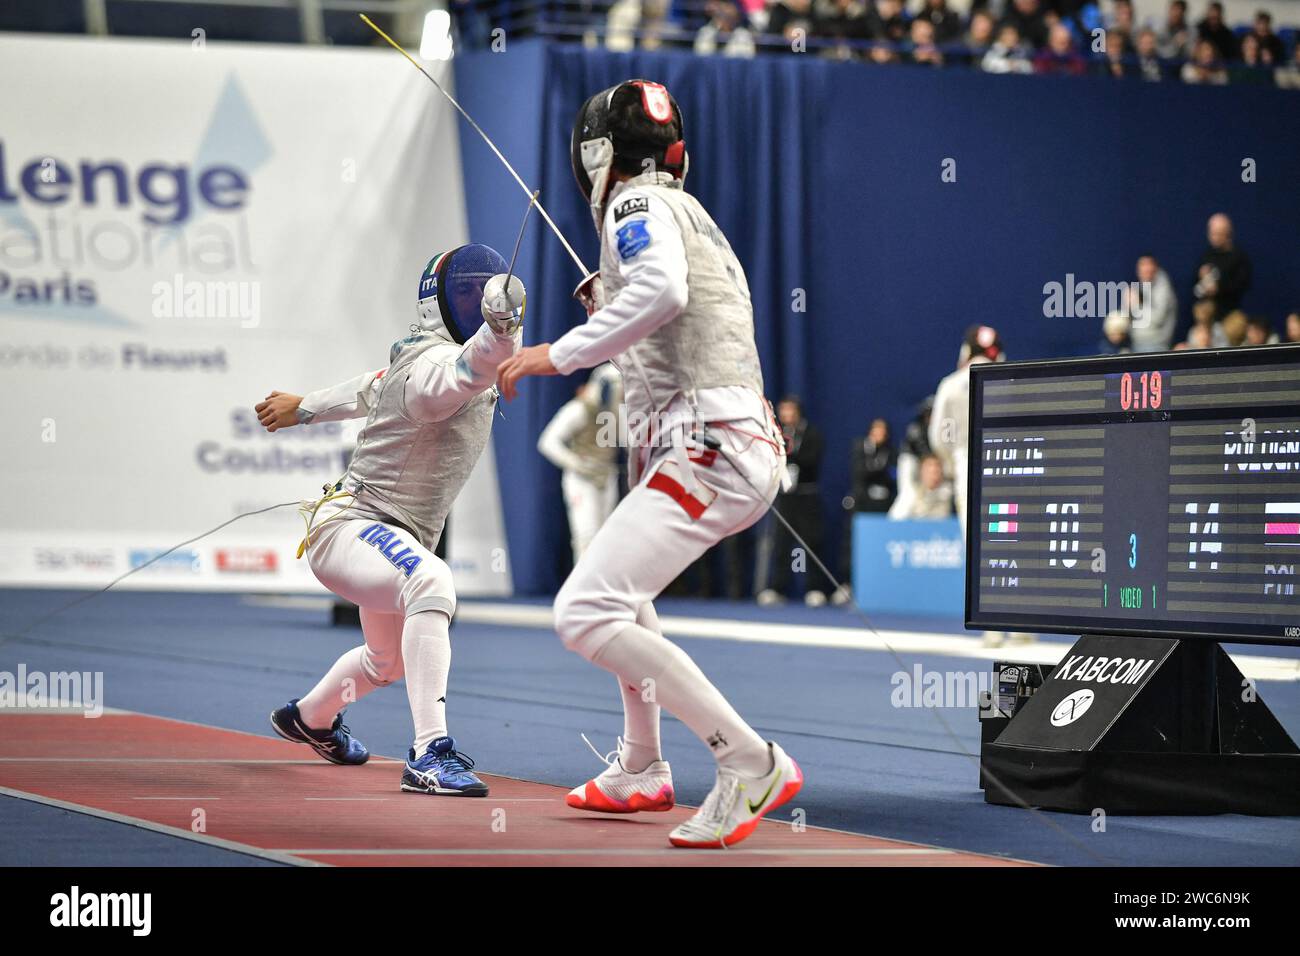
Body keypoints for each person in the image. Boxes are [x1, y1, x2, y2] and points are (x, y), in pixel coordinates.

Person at [496, 80, 802, 848]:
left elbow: (663, 291)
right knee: (624, 599)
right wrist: (615, 303)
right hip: (717, 440)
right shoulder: (688, 214)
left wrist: (554, 353)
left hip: (712, 447)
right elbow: (681, 307)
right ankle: (642, 765)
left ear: (597, 156)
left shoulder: (635, 208)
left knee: (582, 612)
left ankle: (749, 760)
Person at [254, 244, 524, 796]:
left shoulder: (420, 358)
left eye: (484, 289)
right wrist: (500, 330)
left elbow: (367, 387)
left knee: (386, 662)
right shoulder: (432, 368)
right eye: (467, 291)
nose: (476, 299)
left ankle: (310, 718)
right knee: (431, 580)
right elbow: (459, 377)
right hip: (351, 526)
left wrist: (304, 405)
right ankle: (429, 755)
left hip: (387, 537)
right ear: (439, 301)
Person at [537, 364, 624, 562]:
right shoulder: (579, 409)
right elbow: (547, 442)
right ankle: (582, 592)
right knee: (586, 537)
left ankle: (601, 591)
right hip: (581, 480)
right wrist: (576, 463)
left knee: (606, 540)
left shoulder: (618, 415)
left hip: (607, 476)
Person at [756, 395, 828, 607]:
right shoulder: (776, 433)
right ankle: (778, 588)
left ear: (798, 412)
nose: (787, 415)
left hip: (807, 496)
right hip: (786, 497)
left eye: (791, 411)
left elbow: (811, 460)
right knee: (781, 543)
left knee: (809, 544)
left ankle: (813, 588)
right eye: (783, 411)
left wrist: (792, 456)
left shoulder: (812, 434)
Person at [1194, 213, 1251, 318]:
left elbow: (1241, 286)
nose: (1214, 238)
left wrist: (1219, 289)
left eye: (1218, 234)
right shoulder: (1207, 255)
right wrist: (1200, 276)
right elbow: (1196, 288)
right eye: (1212, 233)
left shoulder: (1238, 257)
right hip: (1207, 313)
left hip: (1229, 313)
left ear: (1228, 234)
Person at [1127, 253, 1177, 351]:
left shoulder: (1163, 288)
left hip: (1157, 346)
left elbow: (1158, 318)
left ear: (1155, 268)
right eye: (1142, 266)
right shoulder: (1138, 288)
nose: (1146, 269)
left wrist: (1136, 306)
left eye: (1148, 265)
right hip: (1136, 343)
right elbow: (1129, 321)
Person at [888, 453, 953, 519]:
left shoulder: (950, 494)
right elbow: (895, 519)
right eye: (929, 471)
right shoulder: (911, 493)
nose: (933, 475)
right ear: (921, 472)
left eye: (936, 471)